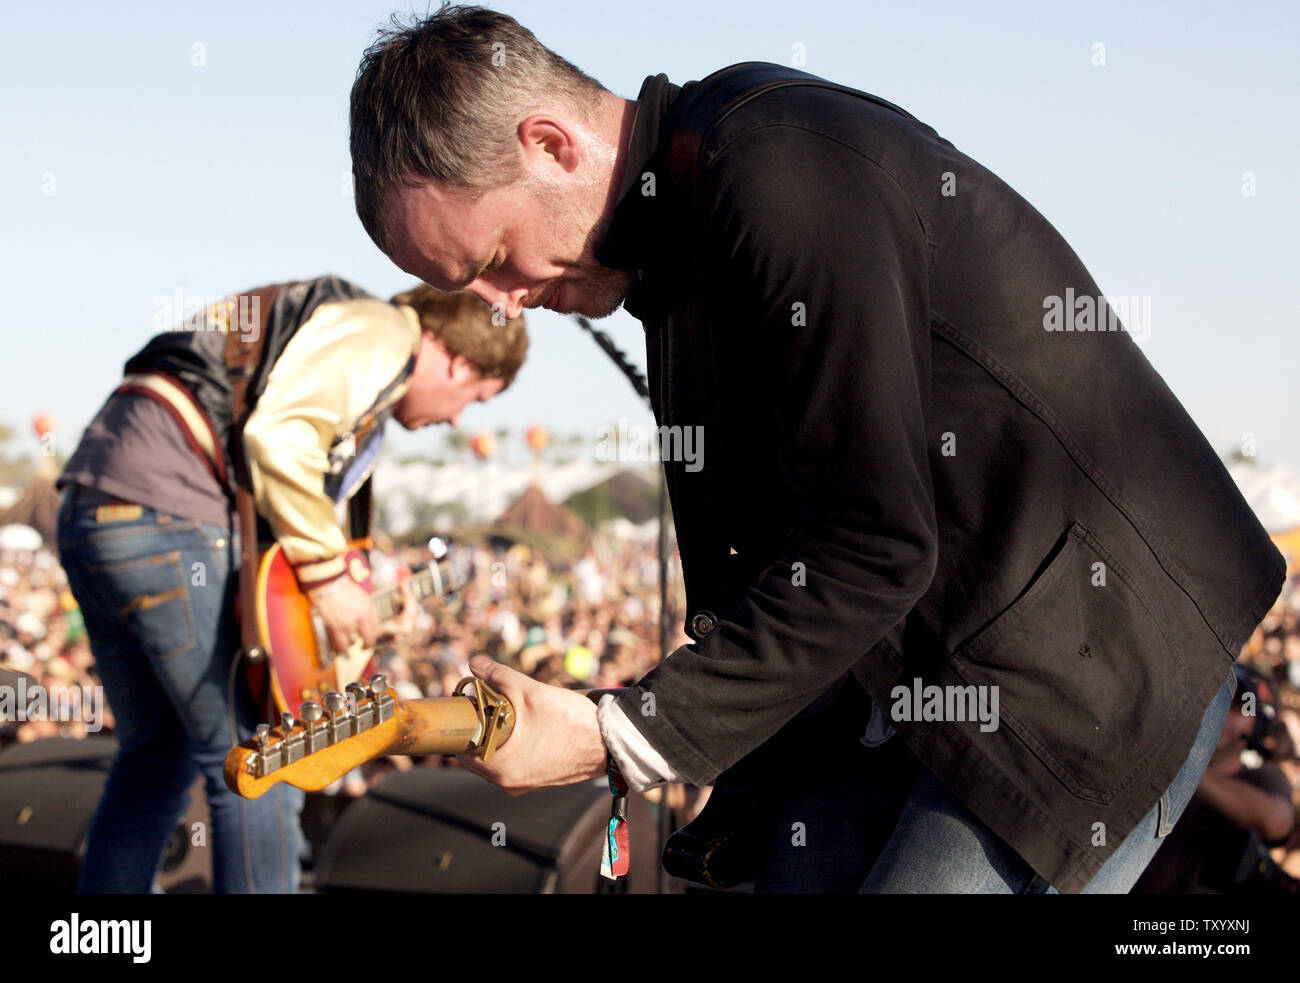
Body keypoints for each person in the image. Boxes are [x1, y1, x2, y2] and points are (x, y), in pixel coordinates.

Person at [347, 6, 1285, 893]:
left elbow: (871, 544)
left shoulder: (777, 168)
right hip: (928, 667)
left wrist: (617, 734)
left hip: (1089, 658)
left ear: (550, 144)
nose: (500, 303)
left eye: (487, 261)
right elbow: (774, 563)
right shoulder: (679, 242)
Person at [56, 275, 526, 893]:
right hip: (169, 516)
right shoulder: (387, 330)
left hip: (96, 509)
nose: (458, 417)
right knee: (265, 762)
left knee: (154, 762)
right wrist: (330, 581)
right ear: (455, 355)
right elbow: (278, 437)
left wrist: (355, 595)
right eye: (475, 397)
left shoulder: (349, 358)